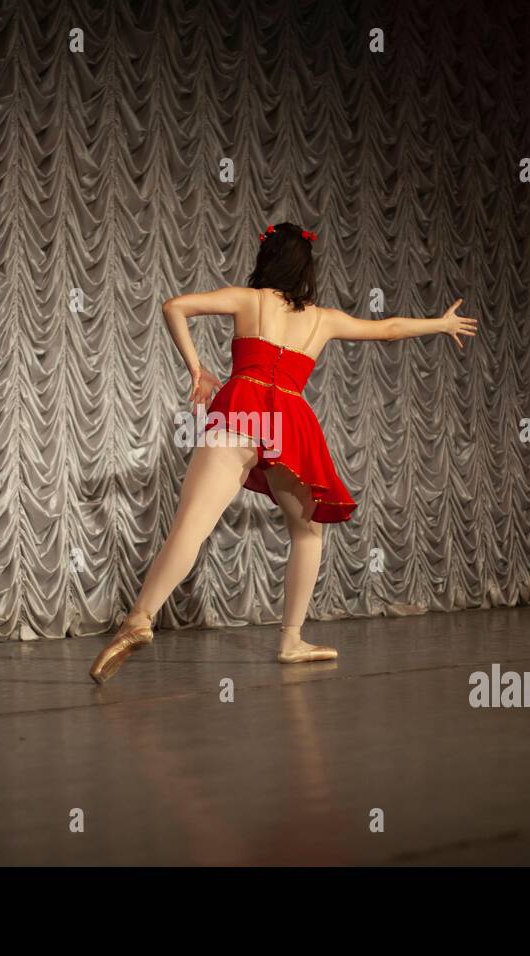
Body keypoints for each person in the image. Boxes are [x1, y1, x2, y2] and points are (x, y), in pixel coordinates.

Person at [90, 222, 477, 683]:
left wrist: (198, 370)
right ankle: (292, 639)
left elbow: (173, 306)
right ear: (307, 269)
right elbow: (389, 330)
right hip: (289, 423)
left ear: (266, 260)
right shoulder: (323, 318)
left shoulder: (248, 299)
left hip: (242, 408)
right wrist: (442, 322)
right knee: (308, 533)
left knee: (190, 529)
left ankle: (139, 618)